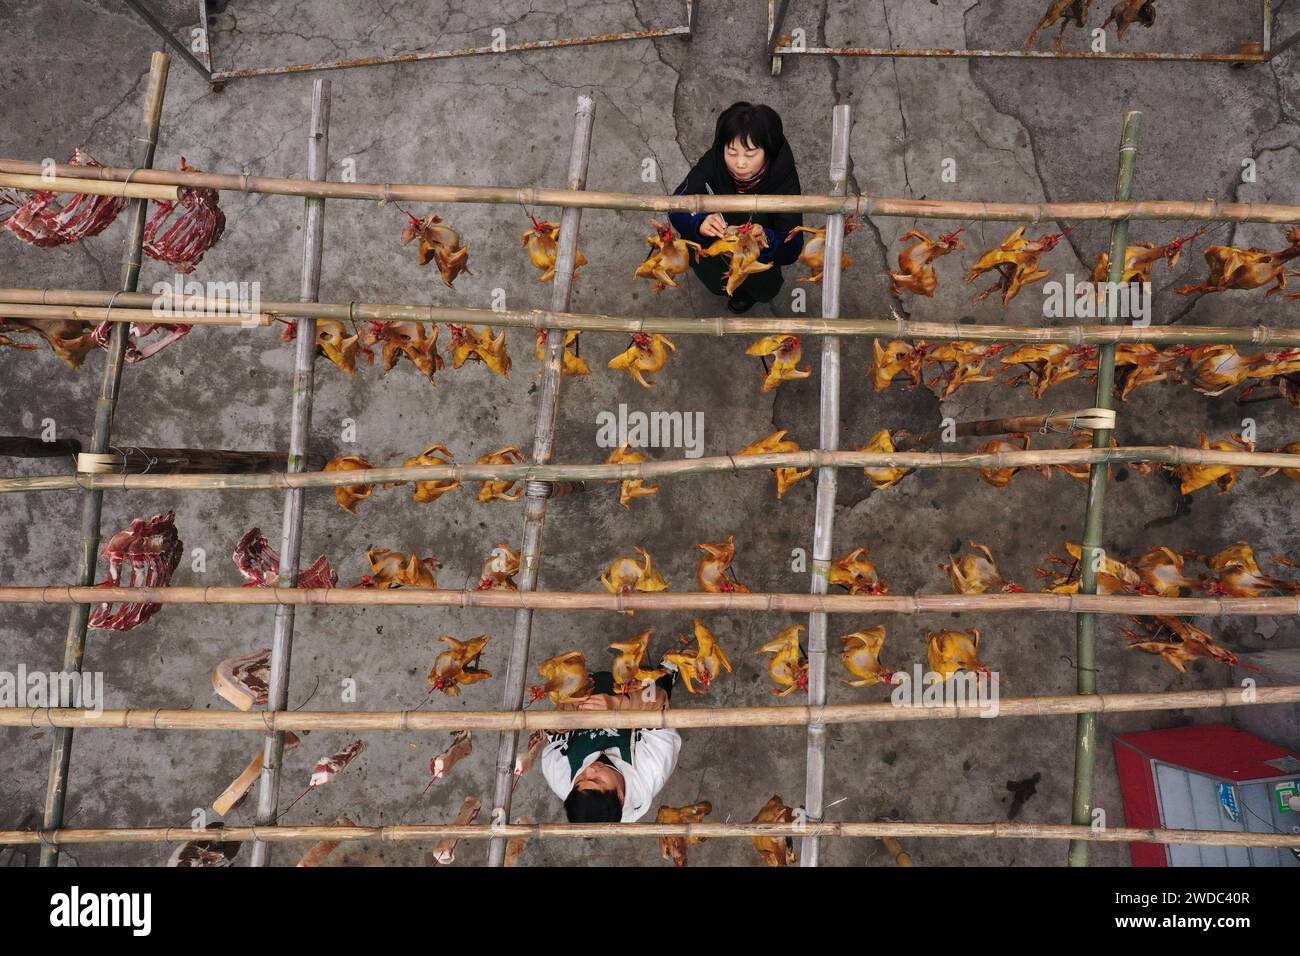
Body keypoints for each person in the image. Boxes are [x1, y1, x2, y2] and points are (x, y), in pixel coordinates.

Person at [668, 102, 804, 314]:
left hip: (756, 260)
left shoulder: (783, 177)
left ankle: (747, 294)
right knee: (716, 280)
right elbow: (678, 204)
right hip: (716, 250)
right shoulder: (713, 162)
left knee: (760, 286)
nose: (740, 163)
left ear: (768, 151)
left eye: (750, 155)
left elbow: (793, 246)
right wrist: (698, 222)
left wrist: (768, 239)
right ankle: (728, 290)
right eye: (732, 152)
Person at [541, 668, 681, 823]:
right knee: (653, 679)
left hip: (587, 685)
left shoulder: (558, 774)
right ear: (620, 796)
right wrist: (618, 704)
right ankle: (666, 675)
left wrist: (575, 709)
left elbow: (549, 729)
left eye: (581, 779)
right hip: (636, 687)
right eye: (597, 780)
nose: (589, 770)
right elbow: (659, 701)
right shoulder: (653, 768)